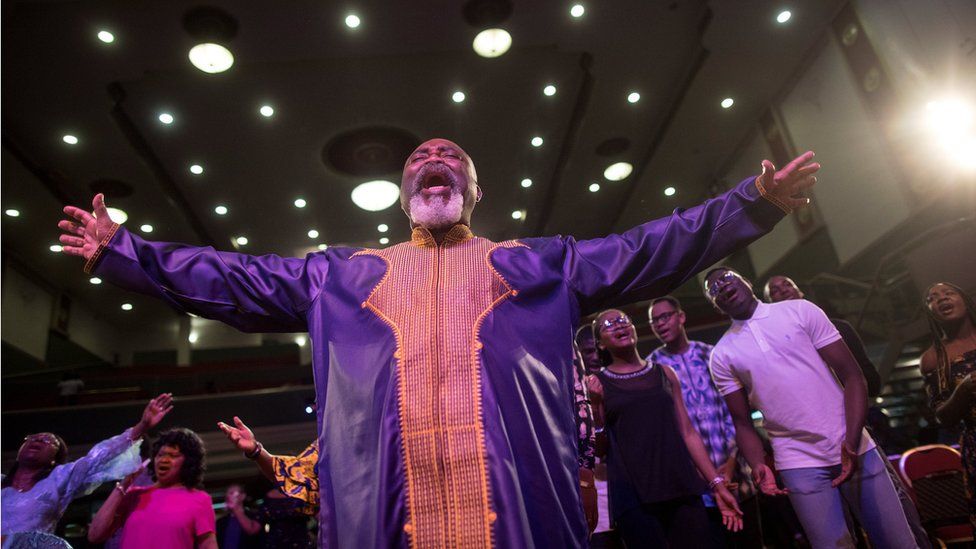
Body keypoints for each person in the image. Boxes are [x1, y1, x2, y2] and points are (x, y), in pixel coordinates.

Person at [58, 138, 819, 548]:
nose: (434, 160)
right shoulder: (341, 276)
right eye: (420, 158)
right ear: (404, 196)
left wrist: (752, 204)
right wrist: (127, 252)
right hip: (385, 520)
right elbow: (234, 278)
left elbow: (652, 246)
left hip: (518, 520)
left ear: (475, 191)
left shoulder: (539, 265)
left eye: (452, 157)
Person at [704, 267, 917, 548]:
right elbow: (742, 422)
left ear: (746, 281)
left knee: (898, 543)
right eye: (713, 289)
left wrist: (852, 440)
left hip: (853, 443)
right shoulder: (722, 354)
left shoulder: (800, 311)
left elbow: (853, 377)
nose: (721, 286)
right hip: (797, 460)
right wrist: (758, 464)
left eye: (727, 278)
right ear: (716, 305)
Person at [585, 309, 743, 548]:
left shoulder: (665, 373)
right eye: (608, 325)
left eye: (623, 320)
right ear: (600, 344)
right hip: (635, 497)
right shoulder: (598, 384)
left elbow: (688, 432)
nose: (618, 325)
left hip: (681, 487)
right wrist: (596, 405)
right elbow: (599, 450)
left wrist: (717, 485)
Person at [646, 296, 761, 547]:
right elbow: (667, 429)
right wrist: (700, 471)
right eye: (654, 321)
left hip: (737, 477)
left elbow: (735, 412)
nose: (660, 324)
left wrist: (730, 462)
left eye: (665, 316)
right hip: (696, 487)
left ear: (681, 317)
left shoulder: (711, 354)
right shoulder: (653, 369)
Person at [0, 394, 173, 548]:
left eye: (47, 441)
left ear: (54, 459)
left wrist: (142, 426)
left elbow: (98, 457)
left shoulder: (59, 478)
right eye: (32, 438)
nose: (37, 440)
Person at [87, 428, 217, 549]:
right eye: (160, 455)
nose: (164, 460)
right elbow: (94, 535)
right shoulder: (134, 496)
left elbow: (208, 545)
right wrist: (123, 485)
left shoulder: (200, 499)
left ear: (188, 462)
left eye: (173, 455)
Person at [763, 275, 882, 396]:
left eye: (787, 284)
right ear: (769, 305)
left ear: (799, 291)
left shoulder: (840, 327)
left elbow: (869, 377)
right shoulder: (773, 342)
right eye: (775, 291)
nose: (784, 290)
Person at [920, 282, 976, 533]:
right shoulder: (934, 358)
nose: (942, 298)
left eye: (949, 292)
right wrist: (963, 389)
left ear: (965, 299)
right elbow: (942, 417)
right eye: (933, 298)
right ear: (930, 312)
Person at [216, 484, 261, 549]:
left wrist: (236, 510)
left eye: (232, 493)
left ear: (243, 496)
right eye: (227, 494)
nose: (228, 496)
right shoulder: (220, 522)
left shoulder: (254, 517)